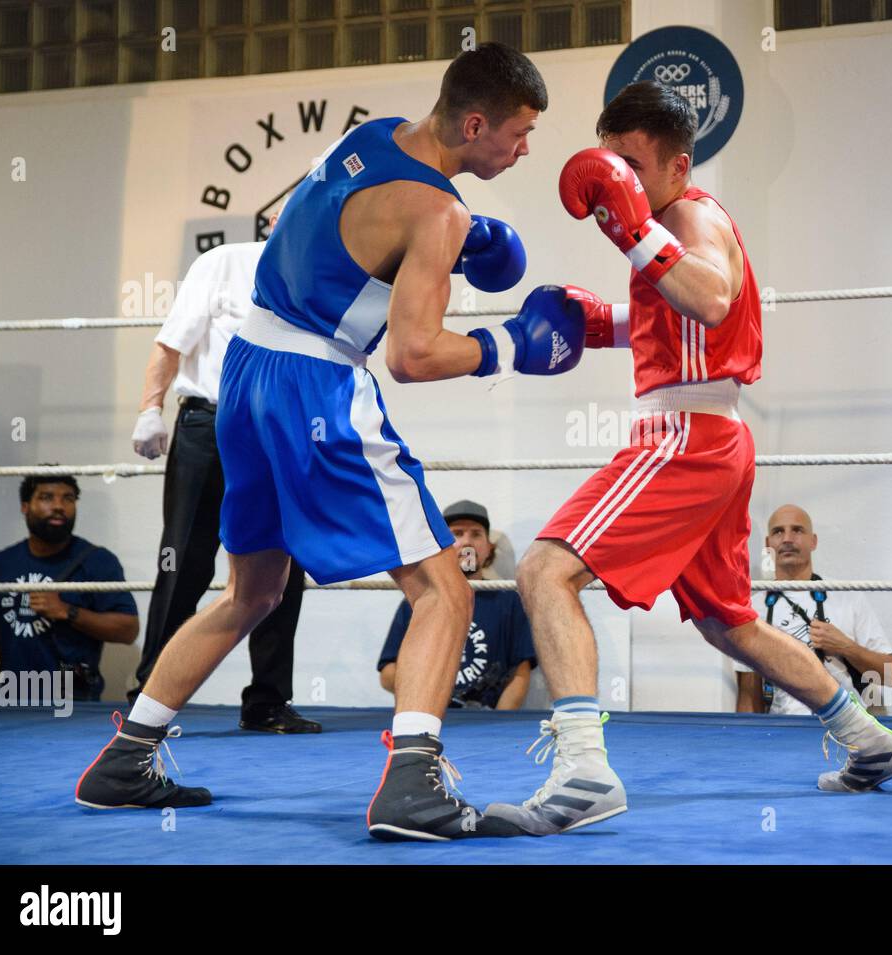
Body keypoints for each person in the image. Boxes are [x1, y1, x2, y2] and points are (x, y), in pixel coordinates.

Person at [76, 42, 585, 842]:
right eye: (519, 133)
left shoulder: (376, 135)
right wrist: (513, 345)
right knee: (442, 587)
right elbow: (411, 357)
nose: (526, 150)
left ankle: (124, 758)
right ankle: (414, 782)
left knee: (252, 594)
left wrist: (465, 234)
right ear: (476, 122)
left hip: (244, 373)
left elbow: (322, 235)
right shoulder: (437, 211)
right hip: (316, 386)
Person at [486, 82, 892, 836]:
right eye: (606, 162)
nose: (614, 180)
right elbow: (680, 318)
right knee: (729, 622)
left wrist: (628, 229)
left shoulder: (685, 216)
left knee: (542, 569)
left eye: (630, 163)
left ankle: (584, 771)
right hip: (713, 435)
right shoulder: (663, 227)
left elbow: (712, 298)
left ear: (679, 163)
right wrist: (596, 325)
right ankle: (868, 738)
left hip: (685, 438)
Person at [129, 212, 319, 734]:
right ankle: (150, 698)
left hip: (282, 429)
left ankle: (267, 702)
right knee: (184, 557)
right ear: (276, 221)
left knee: (283, 565)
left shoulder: (322, 277)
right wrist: (151, 407)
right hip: (210, 422)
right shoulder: (224, 261)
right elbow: (171, 343)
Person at [0, 474, 138, 702]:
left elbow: (128, 630)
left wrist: (67, 611)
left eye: (68, 498)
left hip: (74, 704)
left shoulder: (98, 562)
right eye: (47, 497)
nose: (59, 506)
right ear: (25, 506)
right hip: (11, 703)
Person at [733, 505, 892, 719]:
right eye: (778, 532)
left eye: (797, 530)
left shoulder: (847, 597)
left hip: (848, 728)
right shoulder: (753, 610)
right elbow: (749, 695)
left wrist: (846, 647)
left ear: (814, 541)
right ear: (768, 544)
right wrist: (749, 746)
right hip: (784, 731)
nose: (787, 539)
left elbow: (890, 675)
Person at [377, 500, 535, 710]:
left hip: (488, 725)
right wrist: (427, 698)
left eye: (476, 534)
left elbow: (520, 673)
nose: (467, 542)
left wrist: (497, 724)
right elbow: (388, 673)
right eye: (457, 534)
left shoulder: (510, 602)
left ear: (489, 548)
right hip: (427, 716)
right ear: (441, 544)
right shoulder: (419, 600)